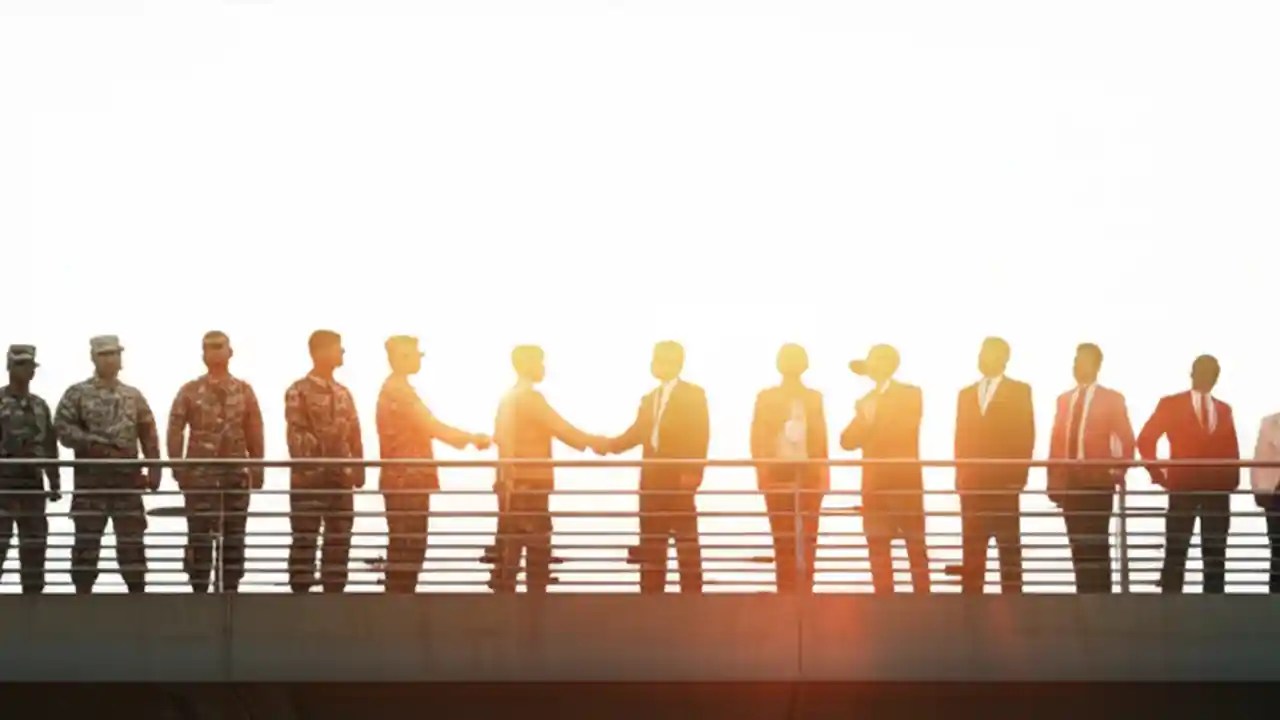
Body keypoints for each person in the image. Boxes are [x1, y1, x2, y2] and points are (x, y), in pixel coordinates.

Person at [376, 335, 490, 594]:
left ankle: (400, 604)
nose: (419, 358)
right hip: (406, 482)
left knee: (408, 548)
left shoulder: (399, 389)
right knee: (408, 549)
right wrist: (470, 439)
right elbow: (430, 425)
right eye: (414, 354)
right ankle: (399, 609)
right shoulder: (399, 392)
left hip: (408, 481)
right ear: (401, 358)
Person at [490, 345, 604, 594]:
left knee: (511, 543)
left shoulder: (507, 399)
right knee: (536, 543)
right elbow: (561, 428)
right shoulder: (530, 399)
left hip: (511, 481)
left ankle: (505, 595)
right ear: (527, 364)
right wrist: (595, 443)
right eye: (539, 362)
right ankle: (535, 601)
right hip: (530, 482)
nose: (543, 367)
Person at [55, 335, 162, 594]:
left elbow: (148, 432)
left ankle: (137, 599)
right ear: (93, 358)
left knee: (132, 545)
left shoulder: (132, 395)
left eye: (114, 353)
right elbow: (62, 427)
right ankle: (82, 599)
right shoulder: (77, 394)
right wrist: (92, 443)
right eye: (104, 354)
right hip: (91, 485)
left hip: (127, 484)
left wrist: (154, 469)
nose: (110, 358)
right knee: (86, 546)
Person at [604, 341, 710, 594]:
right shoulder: (649, 398)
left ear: (676, 363)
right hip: (651, 479)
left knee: (685, 539)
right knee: (652, 539)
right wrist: (607, 445)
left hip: (678, 477)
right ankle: (651, 594)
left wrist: (693, 473)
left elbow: (700, 434)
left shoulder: (693, 394)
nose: (655, 364)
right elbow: (636, 433)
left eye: (660, 359)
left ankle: (692, 596)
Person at [166, 331, 265, 593]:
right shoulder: (189, 391)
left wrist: (258, 467)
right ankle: (199, 593)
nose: (215, 352)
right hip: (200, 479)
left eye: (219, 347)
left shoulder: (244, 391)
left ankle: (230, 593)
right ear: (203, 355)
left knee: (234, 539)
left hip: (235, 478)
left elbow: (254, 429)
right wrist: (178, 468)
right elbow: (175, 428)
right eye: (209, 348)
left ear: (230, 352)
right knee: (199, 539)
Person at [1138, 355, 1239, 594]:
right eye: (1204, 371)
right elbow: (1146, 439)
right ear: (1192, 373)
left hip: (1217, 491)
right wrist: (1159, 473)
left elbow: (1231, 449)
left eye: (1213, 373)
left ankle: (1214, 605)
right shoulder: (1171, 404)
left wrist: (1231, 483)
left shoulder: (1224, 409)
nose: (1209, 377)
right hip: (1182, 487)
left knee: (1215, 551)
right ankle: (1171, 604)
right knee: (1176, 547)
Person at [1048, 343, 1134, 594]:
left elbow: (1126, 438)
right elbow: (1056, 440)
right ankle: (1083, 596)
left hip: (1097, 481)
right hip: (1069, 482)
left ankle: (1101, 598)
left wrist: (1116, 471)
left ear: (1096, 365)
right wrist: (1052, 481)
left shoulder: (1112, 398)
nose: (1076, 365)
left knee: (1096, 543)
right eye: (1075, 359)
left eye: (1082, 360)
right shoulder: (1064, 400)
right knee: (1076, 543)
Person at [953, 337, 1034, 594]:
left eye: (986, 353)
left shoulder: (1020, 390)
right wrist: (961, 475)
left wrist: (1018, 478)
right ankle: (971, 605)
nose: (981, 357)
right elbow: (960, 436)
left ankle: (1013, 605)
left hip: (1004, 484)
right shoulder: (965, 394)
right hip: (972, 485)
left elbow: (1026, 434)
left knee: (1008, 548)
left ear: (1003, 358)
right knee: (972, 547)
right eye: (980, 352)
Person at [284, 330, 363, 593]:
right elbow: (296, 437)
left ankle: (334, 605)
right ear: (319, 352)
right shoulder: (298, 391)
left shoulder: (344, 393)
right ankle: (301, 607)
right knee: (304, 543)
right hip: (310, 484)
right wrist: (326, 452)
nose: (342, 353)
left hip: (341, 484)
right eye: (337, 347)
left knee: (339, 544)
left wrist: (358, 468)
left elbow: (355, 433)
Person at [750, 343, 828, 594]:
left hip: (809, 474)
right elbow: (757, 436)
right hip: (778, 473)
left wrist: (823, 475)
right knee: (782, 539)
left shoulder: (814, 398)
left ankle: (805, 592)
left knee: (807, 540)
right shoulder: (767, 397)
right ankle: (785, 592)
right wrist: (762, 472)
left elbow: (821, 438)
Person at [0, 345, 61, 594]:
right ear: (9, 367)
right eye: (21, 364)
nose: (27, 370)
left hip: (32, 485)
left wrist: (54, 480)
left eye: (30, 366)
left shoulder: (40, 406)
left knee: (34, 547)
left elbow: (49, 444)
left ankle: (33, 605)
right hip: (2, 484)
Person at [1252, 412, 1280, 593]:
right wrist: (1258, 489)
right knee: (1278, 552)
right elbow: (1259, 459)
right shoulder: (1270, 422)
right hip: (1276, 495)